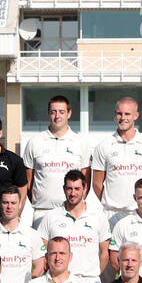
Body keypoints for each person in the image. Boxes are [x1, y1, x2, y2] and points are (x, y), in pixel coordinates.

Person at [21, 95, 91, 230]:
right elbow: (28, 181)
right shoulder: (35, 142)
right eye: (53, 112)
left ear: (69, 113)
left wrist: (74, 203)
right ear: (48, 113)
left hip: (71, 211)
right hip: (42, 212)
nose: (57, 116)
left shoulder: (80, 142)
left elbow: (85, 180)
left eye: (61, 112)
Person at [91, 97, 142, 218]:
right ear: (115, 115)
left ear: (136, 115)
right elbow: (97, 183)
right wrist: (112, 204)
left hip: (140, 213)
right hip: (111, 214)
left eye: (127, 114)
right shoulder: (103, 146)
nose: (123, 118)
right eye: (119, 114)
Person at [37, 169, 110, 283]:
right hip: (60, 281)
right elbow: (41, 252)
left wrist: (95, 274)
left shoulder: (99, 216)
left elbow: (104, 253)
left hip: (89, 281)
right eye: (69, 188)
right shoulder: (51, 216)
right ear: (64, 189)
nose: (73, 193)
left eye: (77, 189)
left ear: (85, 189)